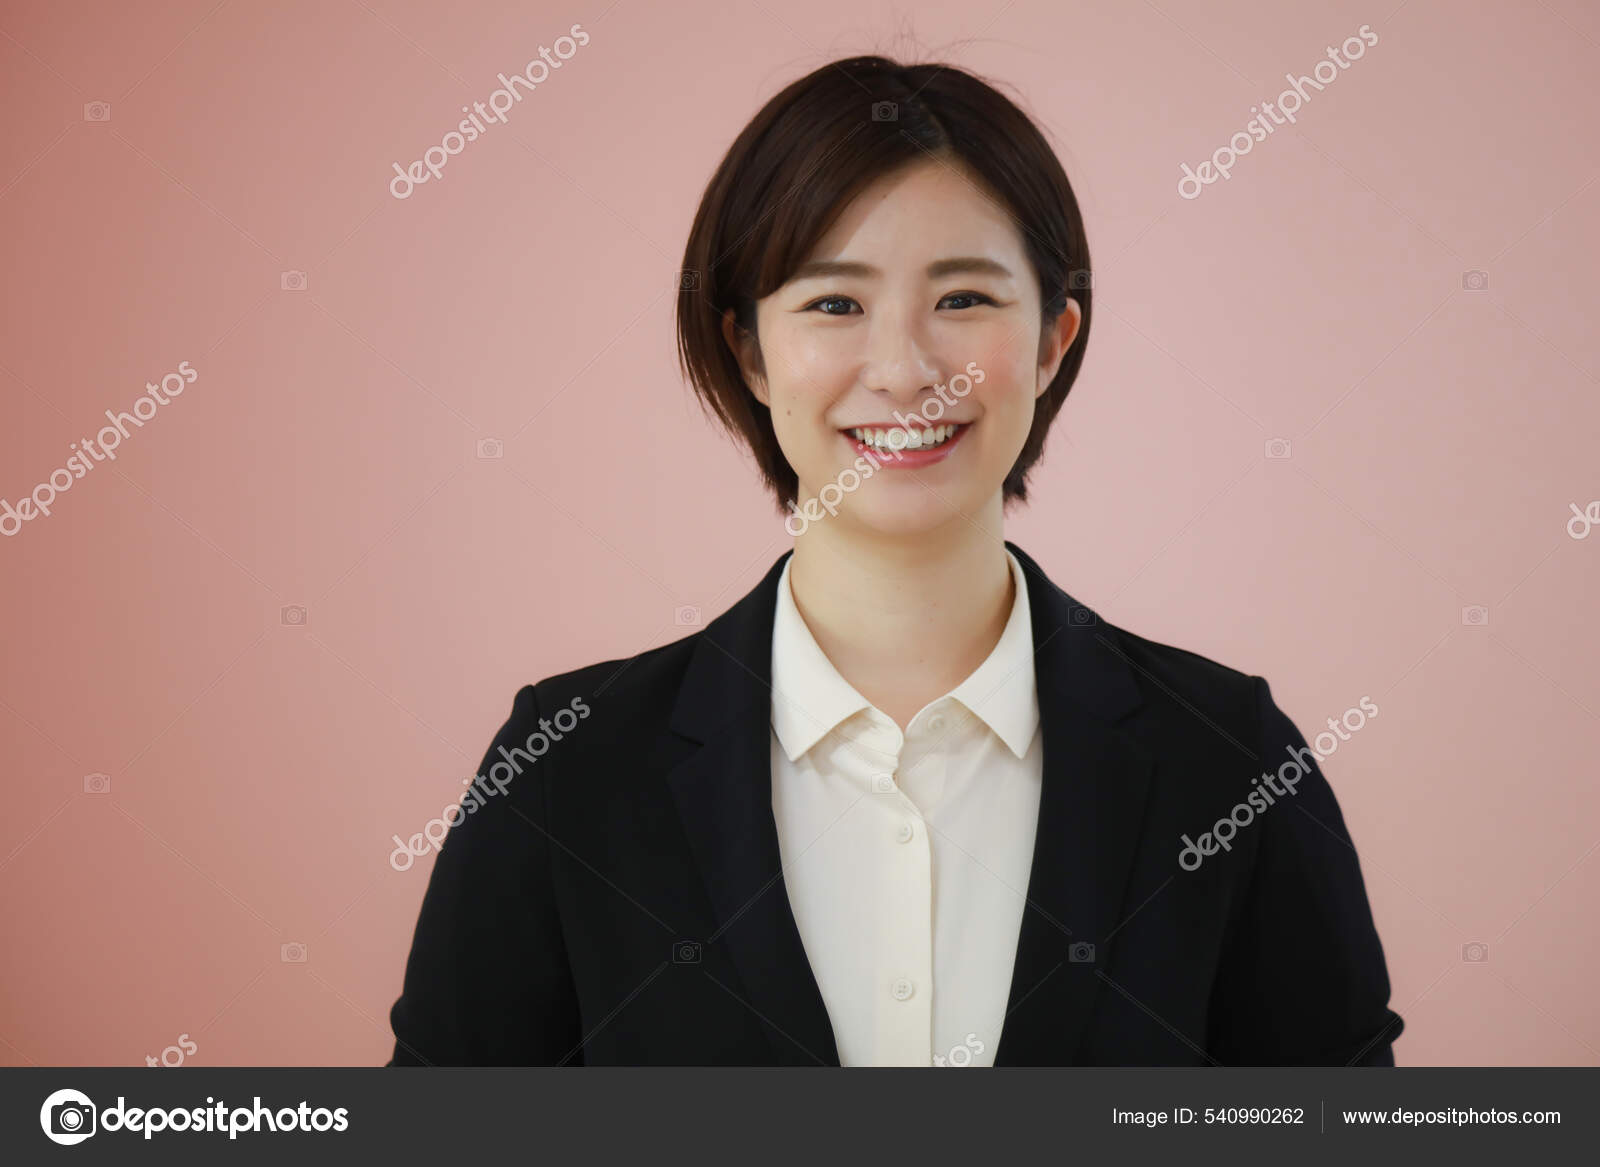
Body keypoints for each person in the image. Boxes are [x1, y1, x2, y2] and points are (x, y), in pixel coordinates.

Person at [387, 54, 1401, 1067]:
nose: (907, 369)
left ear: (1053, 341)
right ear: (749, 351)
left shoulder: (1230, 764)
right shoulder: (567, 771)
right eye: (833, 305)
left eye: (962, 299)